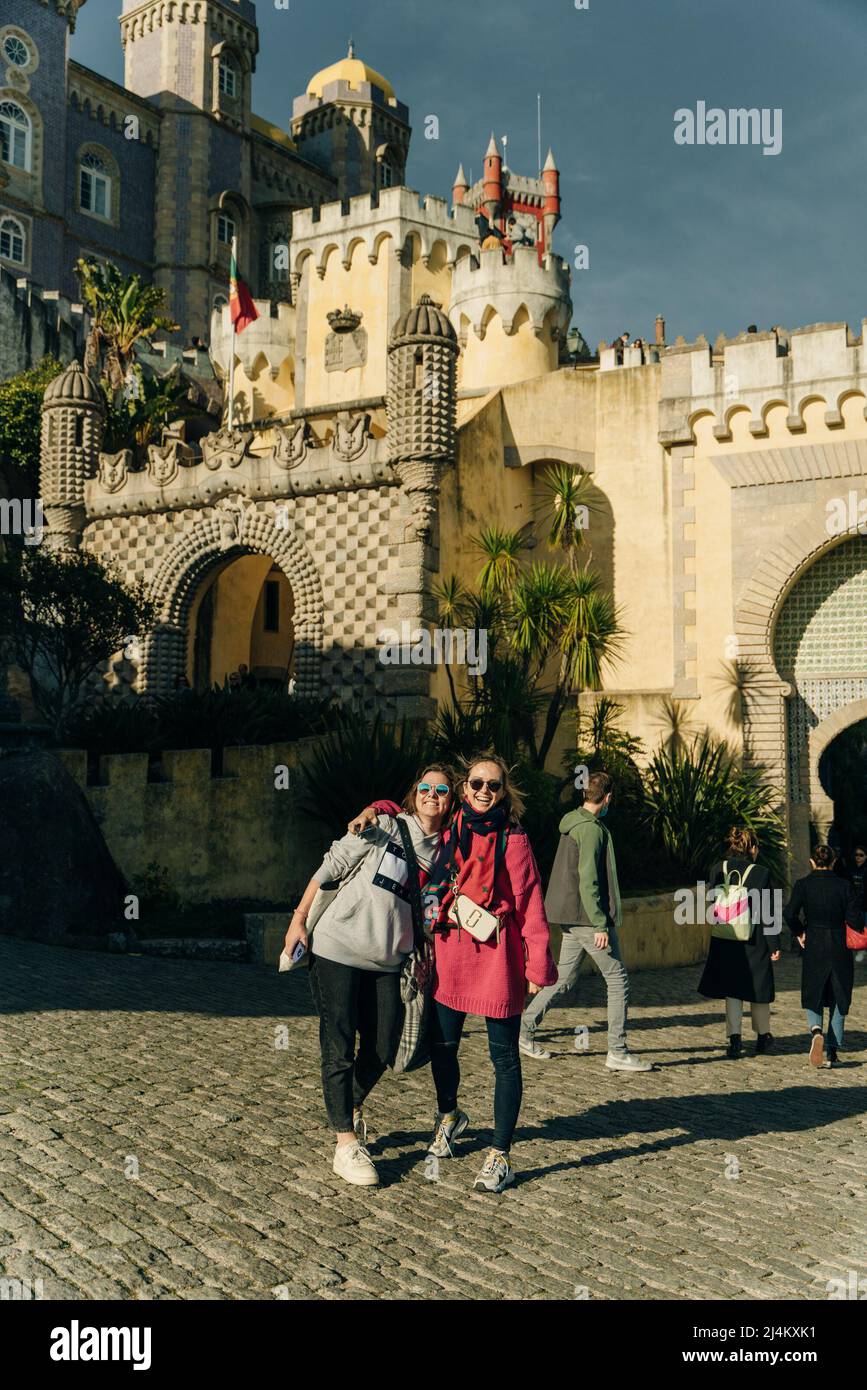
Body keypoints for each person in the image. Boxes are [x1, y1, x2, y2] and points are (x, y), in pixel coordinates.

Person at [350, 754, 557, 1193]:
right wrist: (377, 808)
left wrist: (537, 964)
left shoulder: (514, 840)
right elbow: (409, 809)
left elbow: (531, 904)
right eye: (477, 783)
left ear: (503, 793)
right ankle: (449, 1117)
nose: (484, 791)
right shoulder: (452, 826)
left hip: (498, 960)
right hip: (451, 954)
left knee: (504, 1058)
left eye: (493, 786)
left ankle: (500, 1154)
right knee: (443, 1047)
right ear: (465, 789)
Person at [284, 765, 456, 1186]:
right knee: (338, 1041)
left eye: (442, 790)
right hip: (336, 948)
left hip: (388, 962)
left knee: (383, 1047)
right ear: (414, 793)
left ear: (451, 801)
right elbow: (331, 864)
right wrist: (299, 918)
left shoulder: (451, 852)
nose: (433, 795)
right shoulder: (384, 826)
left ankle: (350, 1103)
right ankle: (345, 1143)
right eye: (426, 788)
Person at [520, 770, 652, 1070]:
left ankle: (523, 1030)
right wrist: (600, 924)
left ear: (584, 794)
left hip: (572, 916)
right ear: (607, 798)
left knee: (563, 979)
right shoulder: (591, 830)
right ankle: (617, 1051)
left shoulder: (574, 823)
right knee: (617, 979)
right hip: (587, 919)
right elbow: (588, 880)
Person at [697, 827, 780, 1059]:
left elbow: (711, 901)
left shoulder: (717, 869)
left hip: (725, 936)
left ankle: (734, 1039)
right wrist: (774, 945)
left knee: (732, 988)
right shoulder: (761, 872)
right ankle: (763, 1037)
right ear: (752, 847)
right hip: (754, 938)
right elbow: (768, 912)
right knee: (758, 988)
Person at [783, 845, 863, 1068]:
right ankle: (833, 1051)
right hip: (838, 943)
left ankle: (816, 1030)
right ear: (834, 861)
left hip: (814, 941)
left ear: (811, 862)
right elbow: (855, 920)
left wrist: (800, 932)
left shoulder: (803, 885)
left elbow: (789, 913)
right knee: (839, 993)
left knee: (814, 988)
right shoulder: (845, 886)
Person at [843, 845, 867, 962]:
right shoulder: (850, 870)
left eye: (861, 855)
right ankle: (859, 947)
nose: (858, 858)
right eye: (856, 855)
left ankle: (862, 949)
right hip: (854, 903)